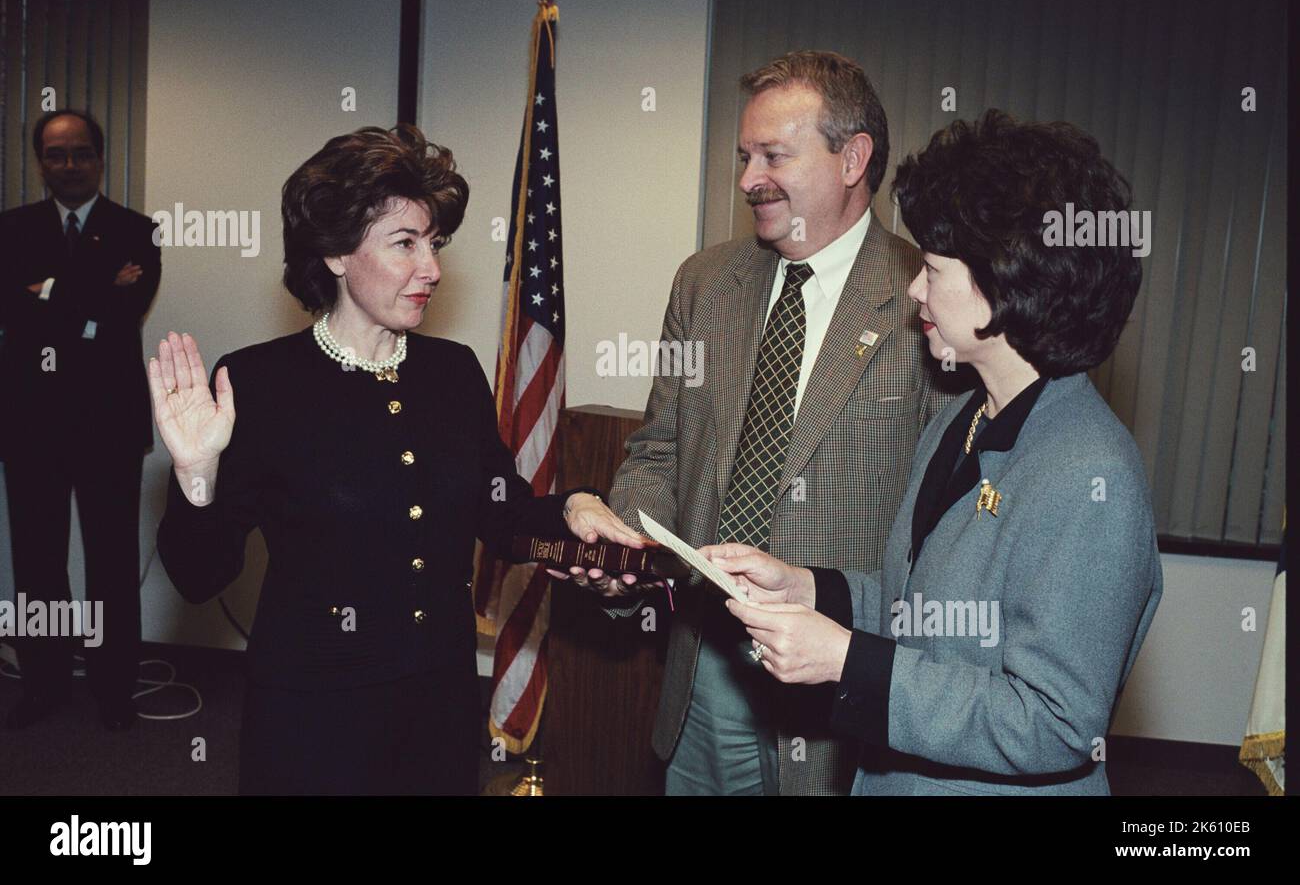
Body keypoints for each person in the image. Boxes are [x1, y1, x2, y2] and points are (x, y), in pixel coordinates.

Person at [151, 124, 643, 794]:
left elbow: (501, 516)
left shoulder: (452, 372)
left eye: (434, 244)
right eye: (405, 244)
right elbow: (198, 575)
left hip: (437, 709)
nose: (433, 268)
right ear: (333, 253)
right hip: (311, 717)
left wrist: (575, 506)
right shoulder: (259, 384)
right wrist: (196, 474)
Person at [707, 109, 1163, 795]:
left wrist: (847, 663)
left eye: (935, 268)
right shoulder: (963, 418)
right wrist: (807, 588)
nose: (916, 288)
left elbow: (1056, 722)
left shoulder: (1090, 472)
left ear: (1008, 287)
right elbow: (922, 609)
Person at [553, 51, 959, 795]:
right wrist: (625, 549)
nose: (747, 179)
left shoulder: (925, 299)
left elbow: (940, 527)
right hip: (705, 667)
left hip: (842, 681)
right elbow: (661, 448)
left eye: (773, 155)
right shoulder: (706, 283)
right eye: (744, 157)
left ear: (852, 158)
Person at [0, 109, 160, 731]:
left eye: (81, 153)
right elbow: (20, 306)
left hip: (107, 425)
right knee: (38, 563)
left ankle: (115, 690)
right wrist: (89, 296)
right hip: (30, 424)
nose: (69, 165)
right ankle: (43, 685)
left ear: (99, 157)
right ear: (41, 161)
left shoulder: (139, 231)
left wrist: (46, 293)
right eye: (56, 154)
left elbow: (123, 315)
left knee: (111, 563)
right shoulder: (9, 231)